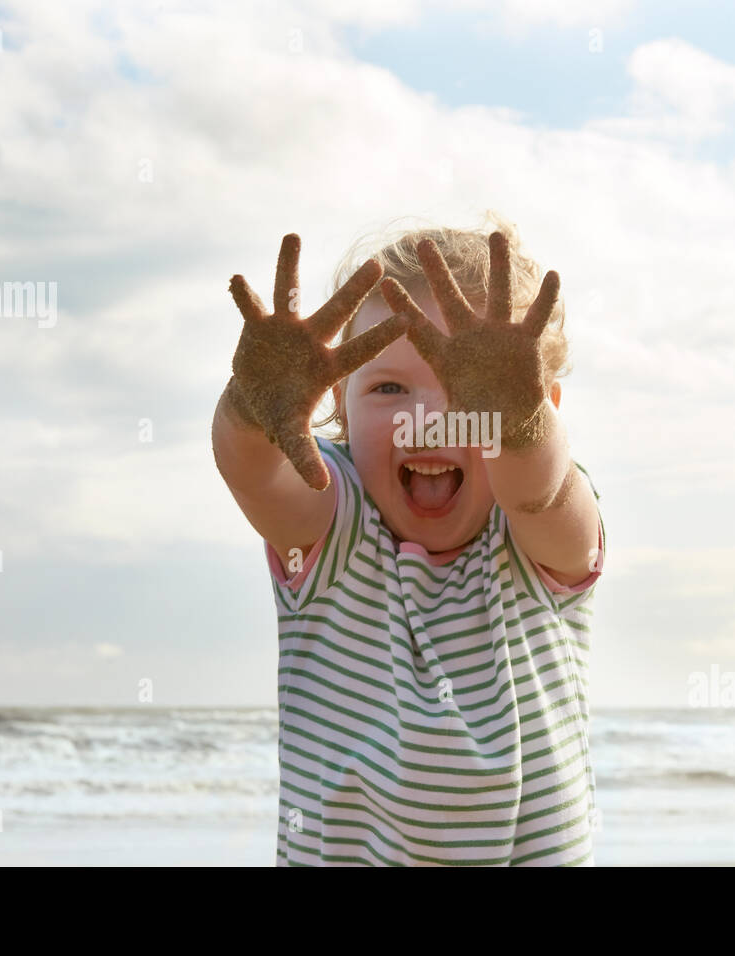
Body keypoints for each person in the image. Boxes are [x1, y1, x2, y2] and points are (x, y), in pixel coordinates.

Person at [212, 214, 606, 865]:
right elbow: (254, 474)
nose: (427, 418)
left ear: (543, 408)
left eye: (472, 390)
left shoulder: (536, 541)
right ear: (337, 400)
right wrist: (251, 408)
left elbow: (543, 489)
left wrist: (519, 427)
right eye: (389, 388)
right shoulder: (336, 522)